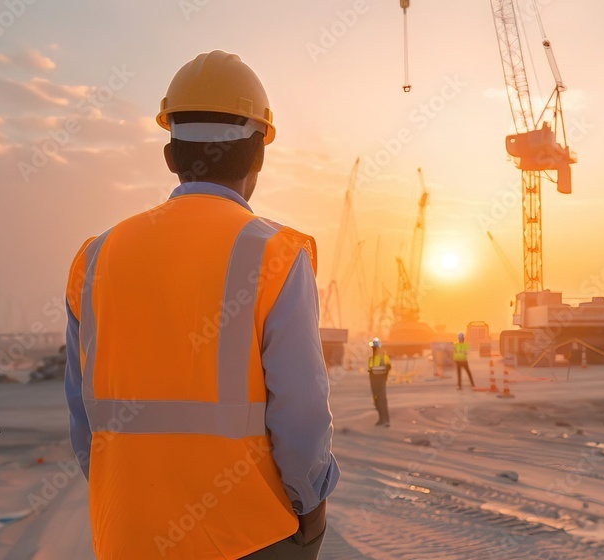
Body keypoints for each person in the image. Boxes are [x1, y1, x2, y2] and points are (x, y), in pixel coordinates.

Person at [64, 50, 338, 560]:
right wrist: (309, 505)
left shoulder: (96, 257)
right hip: (248, 537)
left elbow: (84, 421)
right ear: (258, 155)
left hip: (126, 536)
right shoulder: (277, 255)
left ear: (170, 156)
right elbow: (301, 413)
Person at [367, 337, 392, 426]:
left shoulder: (383, 357)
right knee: (377, 400)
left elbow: (388, 367)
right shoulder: (372, 358)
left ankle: (385, 420)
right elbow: (370, 370)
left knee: (382, 400)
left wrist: (384, 378)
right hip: (374, 381)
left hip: (380, 381)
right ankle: (381, 419)